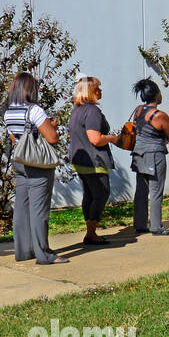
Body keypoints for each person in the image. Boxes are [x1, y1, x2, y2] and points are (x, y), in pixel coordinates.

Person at [4, 72, 66, 265]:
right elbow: (52, 138)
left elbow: (15, 138)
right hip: (37, 163)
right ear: (30, 89)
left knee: (22, 209)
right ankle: (44, 254)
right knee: (39, 210)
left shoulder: (8, 111)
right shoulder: (34, 110)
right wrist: (52, 125)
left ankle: (23, 251)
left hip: (20, 161)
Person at [65, 76, 118, 246]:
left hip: (80, 160)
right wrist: (111, 138)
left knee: (89, 195)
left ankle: (90, 230)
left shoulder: (76, 110)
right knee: (101, 194)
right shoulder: (92, 111)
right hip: (94, 160)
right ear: (90, 92)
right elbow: (95, 139)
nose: (100, 91)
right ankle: (91, 232)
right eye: (98, 89)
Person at [129, 78, 169, 235]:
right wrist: (163, 136)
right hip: (154, 155)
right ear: (156, 95)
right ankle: (156, 226)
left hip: (138, 154)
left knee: (141, 190)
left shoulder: (138, 110)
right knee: (156, 191)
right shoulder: (159, 115)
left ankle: (140, 223)